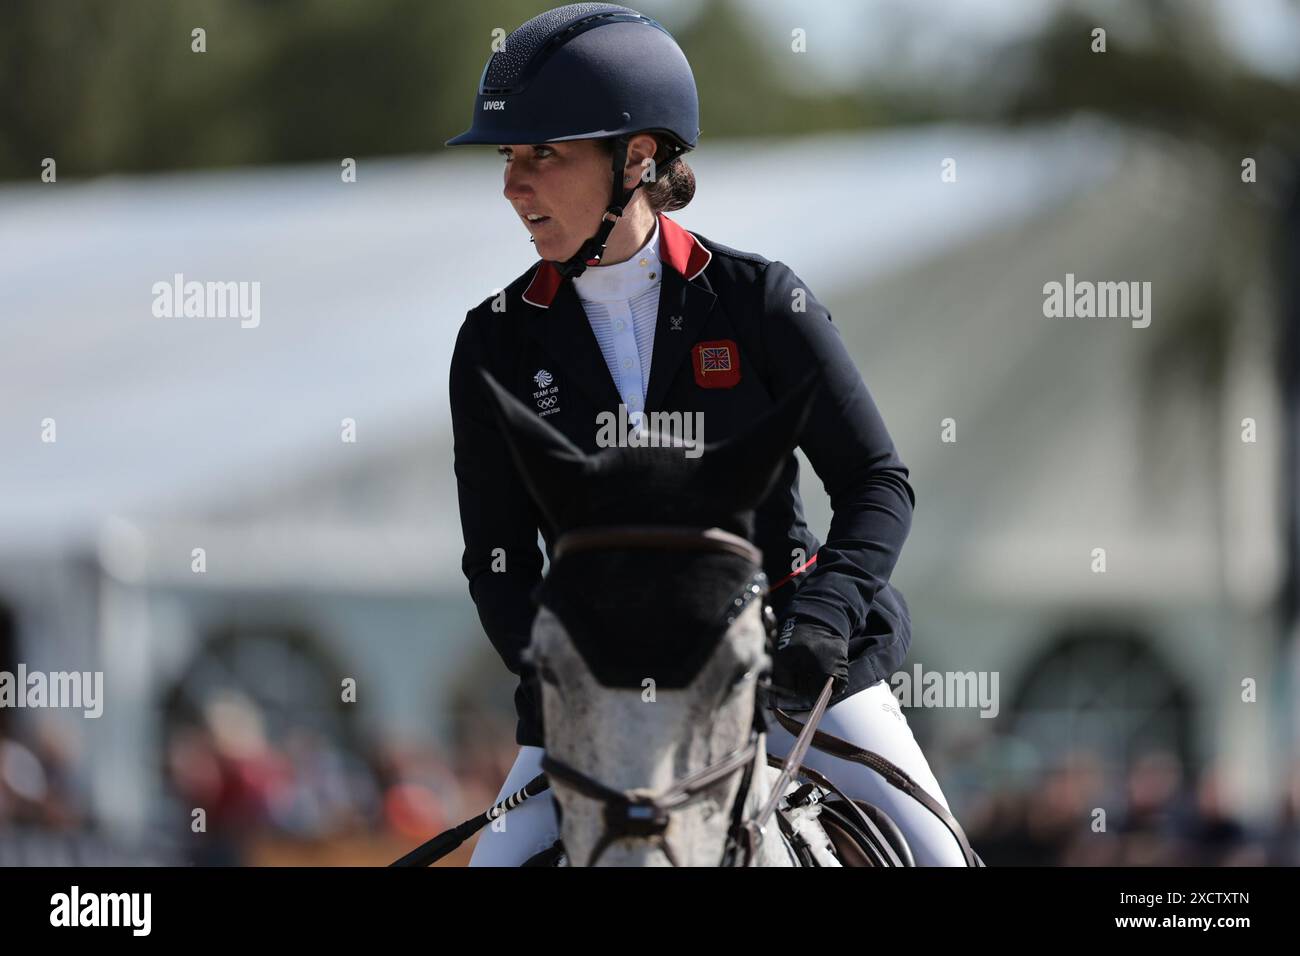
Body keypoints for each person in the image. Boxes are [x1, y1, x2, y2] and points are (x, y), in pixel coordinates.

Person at [445, 2, 970, 866]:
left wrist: (821, 622)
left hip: (788, 664)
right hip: (600, 691)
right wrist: (560, 673)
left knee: (938, 855)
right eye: (509, 156)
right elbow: (496, 557)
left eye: (544, 154)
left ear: (638, 159)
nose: (513, 185)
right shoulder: (495, 339)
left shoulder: (762, 302)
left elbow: (876, 481)